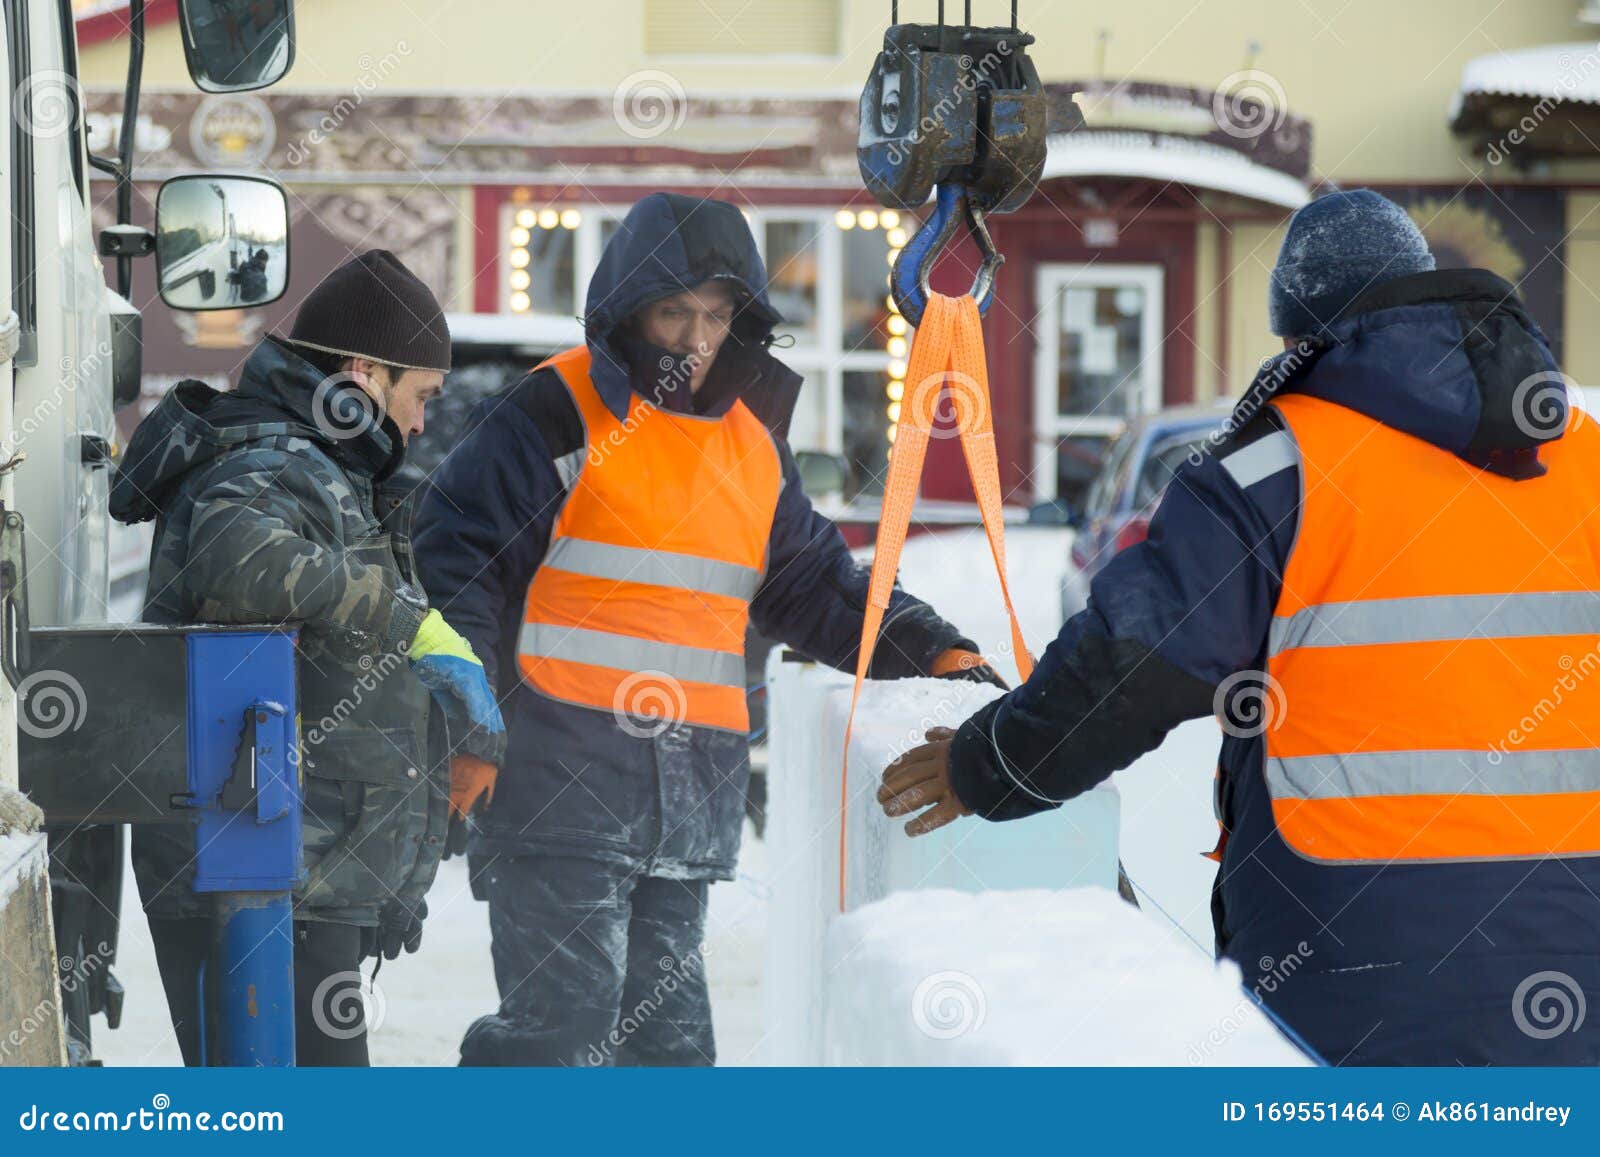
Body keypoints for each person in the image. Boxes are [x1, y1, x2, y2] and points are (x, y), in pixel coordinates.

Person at [879, 189, 1600, 1066]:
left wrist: (992, 763)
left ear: (1301, 338)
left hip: (1355, 961)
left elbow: (1137, 658)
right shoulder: (1583, 457)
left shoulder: (1276, 464)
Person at [414, 192, 999, 1066]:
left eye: (718, 316)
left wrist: (927, 649)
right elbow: (456, 563)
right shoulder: (554, 414)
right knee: (558, 1038)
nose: (696, 339)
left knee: (672, 1054)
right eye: (674, 312)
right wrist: (466, 722)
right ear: (625, 311)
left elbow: (815, 586)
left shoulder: (752, 442)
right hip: (557, 789)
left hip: (688, 805)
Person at [109, 249, 505, 1066]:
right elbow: (238, 562)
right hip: (251, 873)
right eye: (420, 396)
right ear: (365, 373)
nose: (424, 423)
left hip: (295, 868)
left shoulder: (321, 468)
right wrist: (414, 624)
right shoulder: (272, 461)